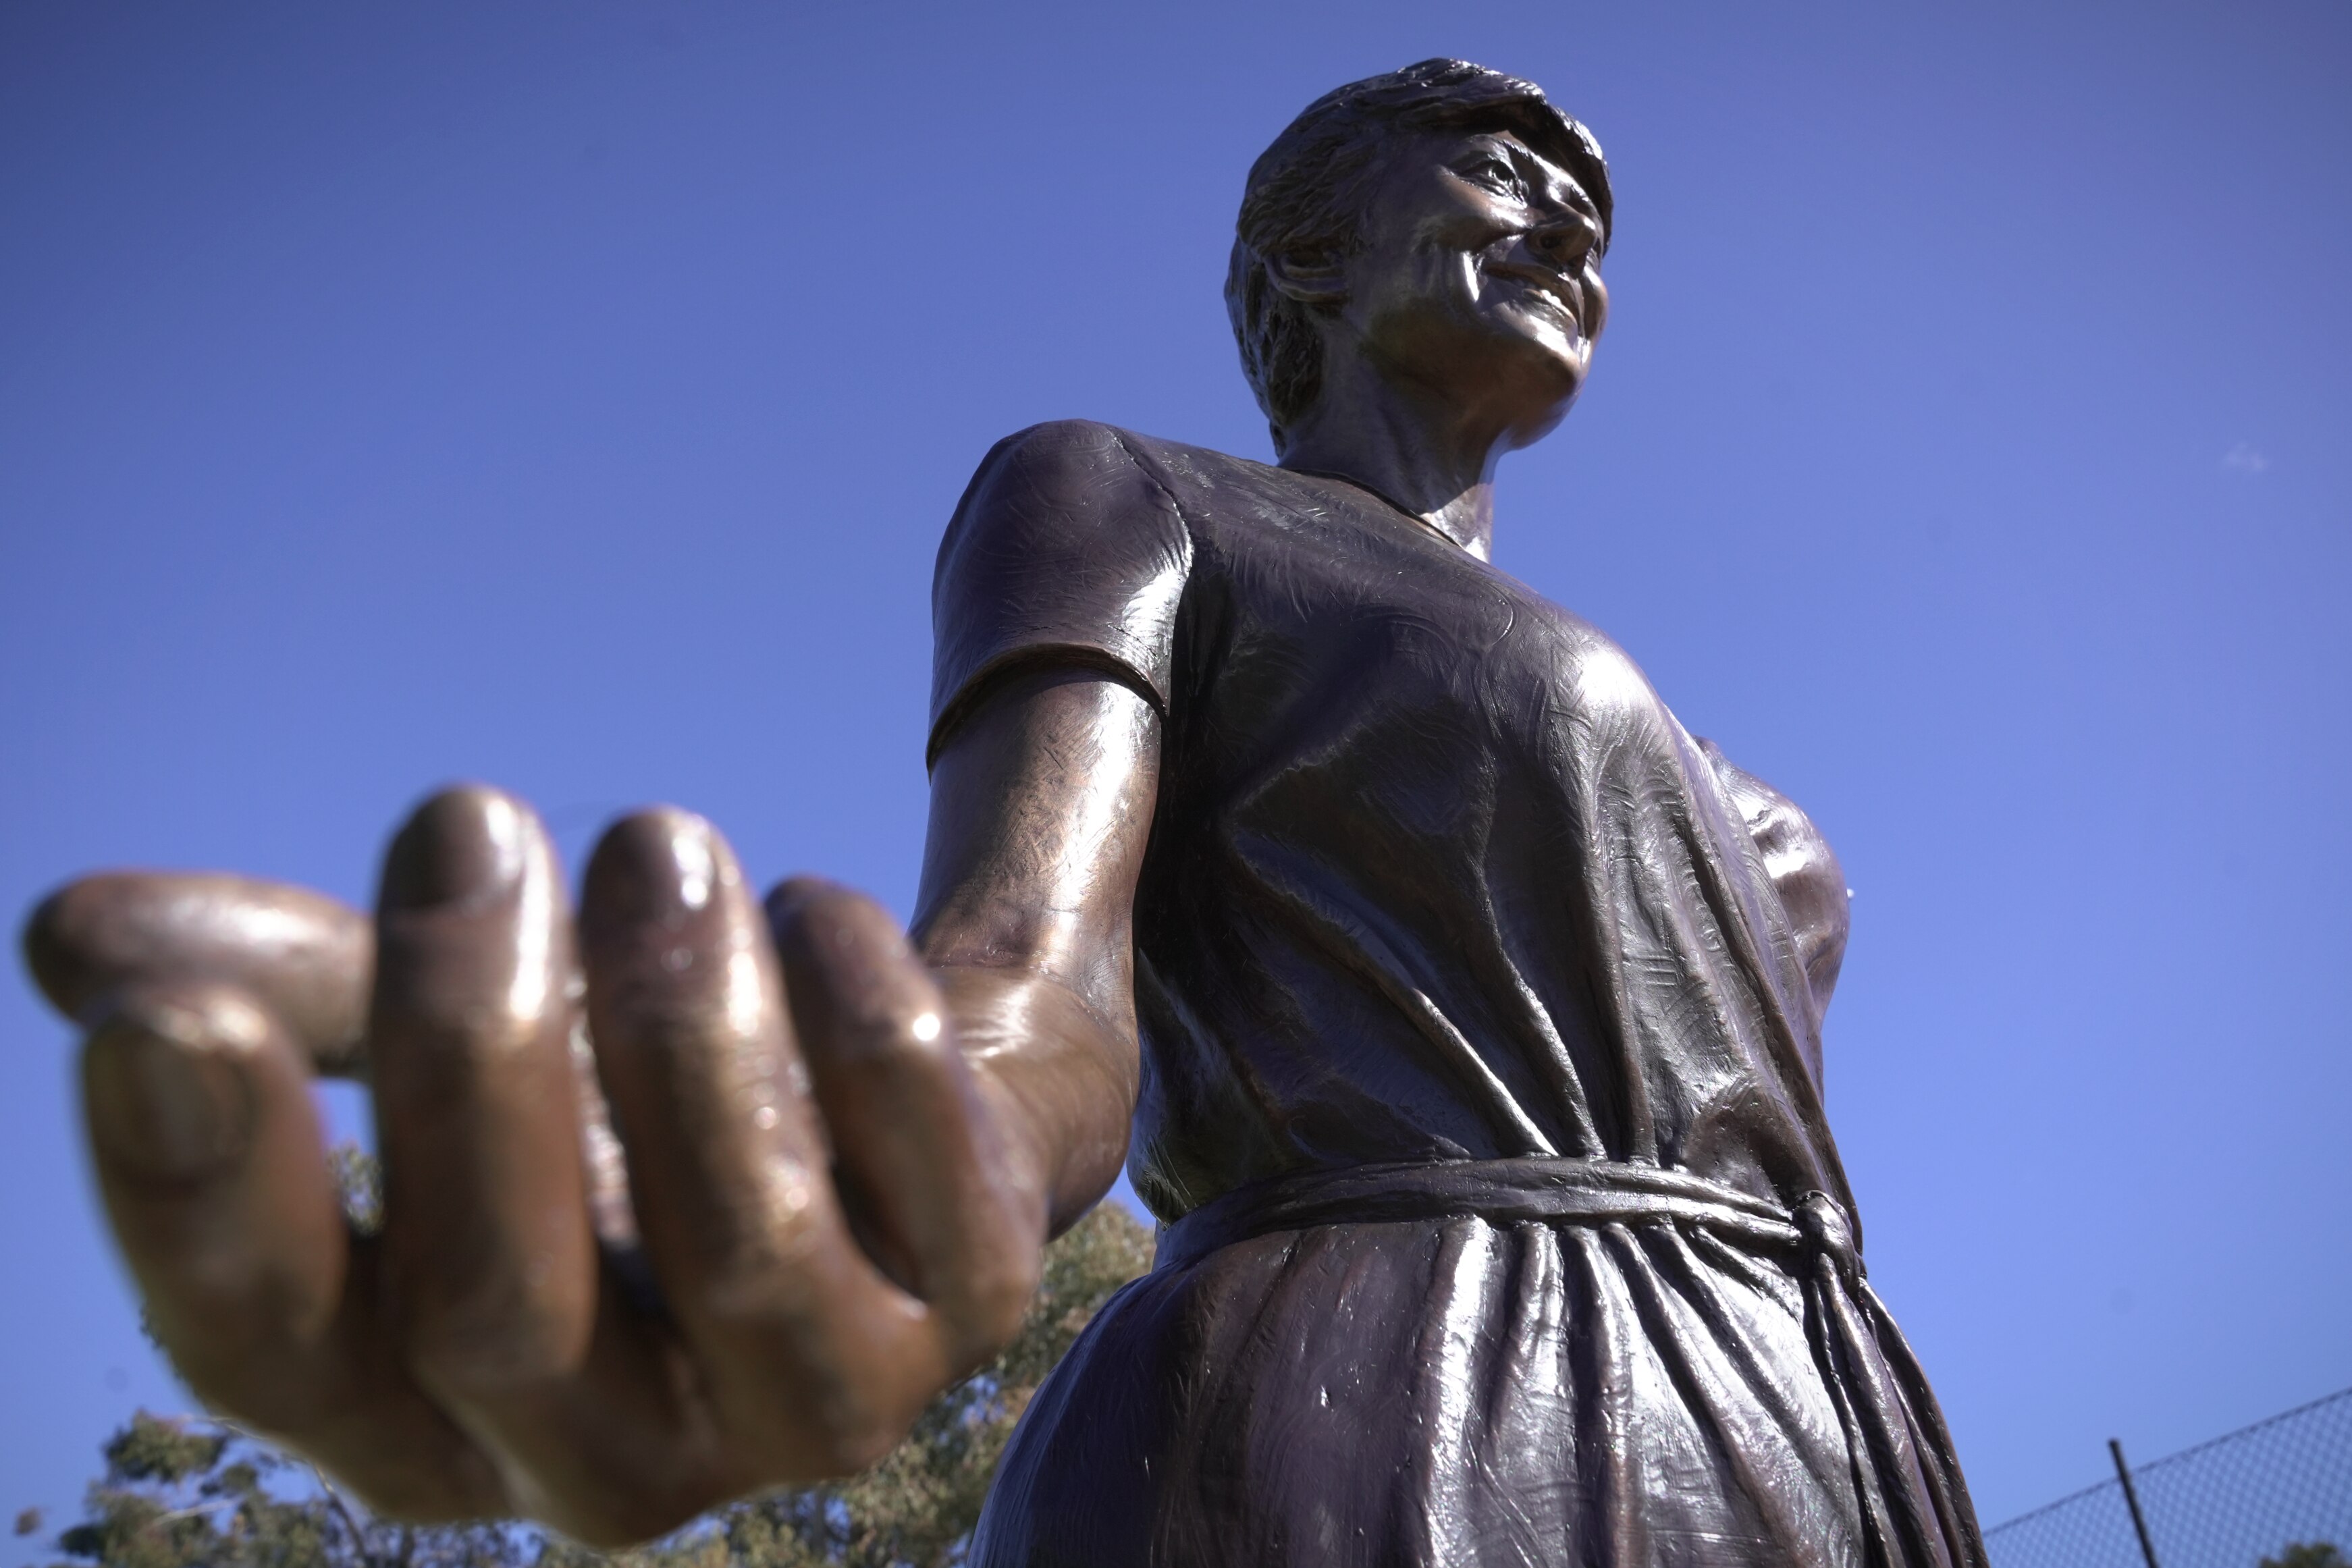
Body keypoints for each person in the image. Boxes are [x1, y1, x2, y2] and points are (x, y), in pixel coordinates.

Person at [26, 59, 1985, 1568]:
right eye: (1500, 178)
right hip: (1377, 1398)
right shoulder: (1134, 497)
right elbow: (1028, 986)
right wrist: (858, 1165)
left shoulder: (1760, 828)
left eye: (1592, 216)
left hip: (1824, 1418)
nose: (1566, 230)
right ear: (1302, 255)